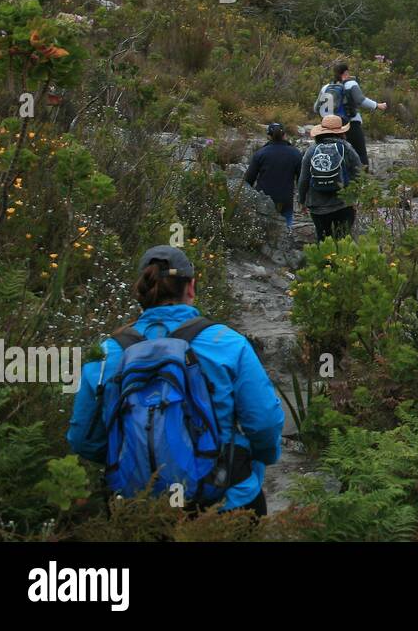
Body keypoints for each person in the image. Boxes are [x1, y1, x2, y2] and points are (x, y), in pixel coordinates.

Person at [67, 246, 283, 516]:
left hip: (135, 508)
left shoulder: (107, 353)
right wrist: (259, 458)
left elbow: (82, 438)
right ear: (191, 287)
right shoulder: (227, 343)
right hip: (224, 501)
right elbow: (264, 422)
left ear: (141, 291)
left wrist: (136, 460)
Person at [298, 114, 363, 241]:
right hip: (343, 204)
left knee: (323, 240)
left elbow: (304, 179)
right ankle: (342, 260)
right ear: (340, 132)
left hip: (317, 206)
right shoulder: (346, 148)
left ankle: (325, 260)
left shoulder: (311, 150)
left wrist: (302, 200)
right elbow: (358, 173)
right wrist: (354, 197)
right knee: (344, 240)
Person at [313, 62, 387, 169]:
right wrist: (377, 105)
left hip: (329, 127)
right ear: (346, 73)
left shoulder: (325, 87)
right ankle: (362, 180)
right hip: (351, 124)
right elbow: (360, 100)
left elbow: (316, 108)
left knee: (335, 153)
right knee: (360, 153)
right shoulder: (351, 84)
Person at [244, 123, 303, 227]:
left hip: (263, 197)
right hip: (286, 198)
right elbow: (301, 179)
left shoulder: (260, 153)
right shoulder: (295, 153)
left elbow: (249, 179)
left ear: (268, 136)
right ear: (284, 135)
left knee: (263, 228)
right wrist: (302, 200)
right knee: (287, 228)